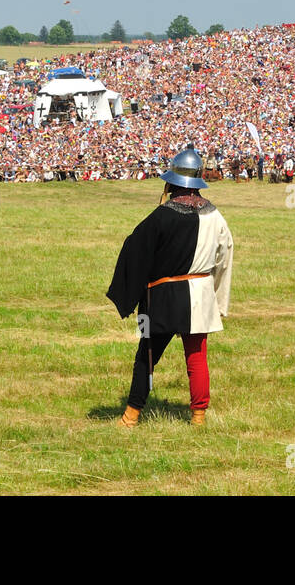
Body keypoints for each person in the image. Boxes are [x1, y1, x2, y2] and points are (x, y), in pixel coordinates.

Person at [106, 148, 234, 427]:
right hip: (199, 296)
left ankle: (130, 417)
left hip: (163, 297)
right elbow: (225, 257)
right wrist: (218, 300)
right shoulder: (215, 216)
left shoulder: (161, 216)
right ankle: (198, 417)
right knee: (197, 357)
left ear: (172, 183)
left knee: (147, 356)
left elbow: (135, 250)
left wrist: (129, 294)